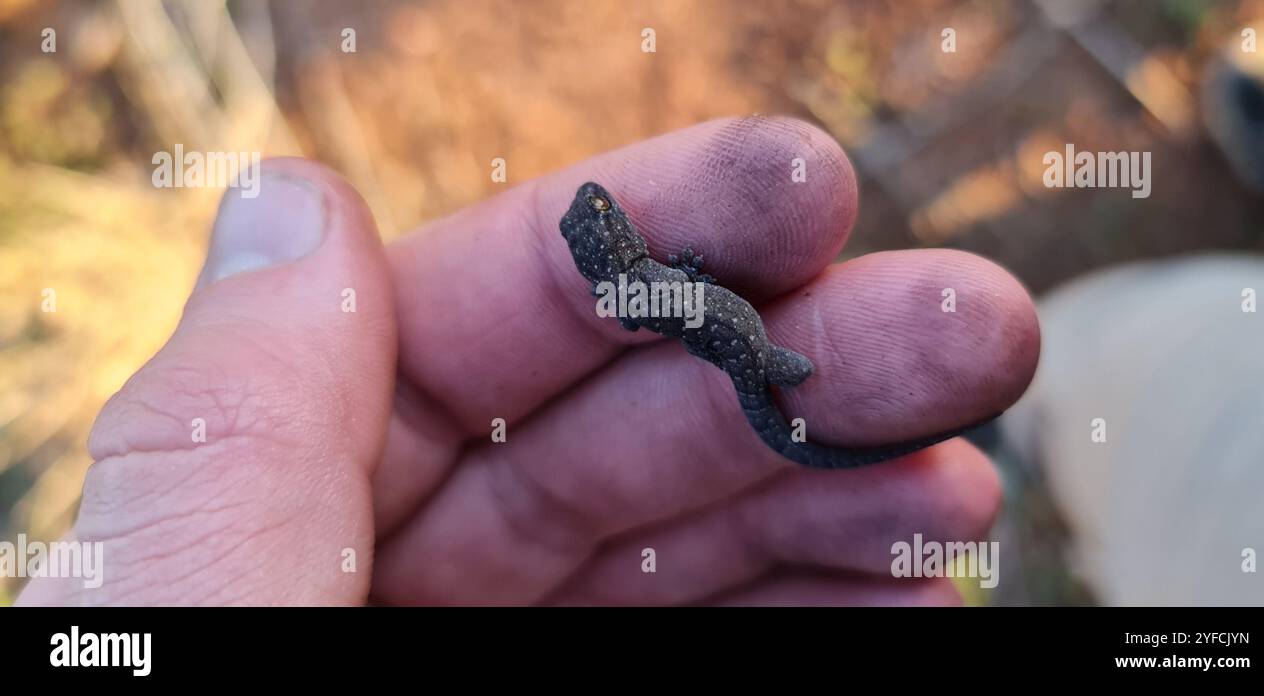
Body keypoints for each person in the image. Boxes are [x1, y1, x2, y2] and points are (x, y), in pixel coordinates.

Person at [17, 117, 1039, 606]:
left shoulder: (627, 282)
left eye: (596, 219)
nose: (595, 213)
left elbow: (658, 294)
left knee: (790, 386)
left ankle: (882, 426)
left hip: (743, 353)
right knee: (782, 386)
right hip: (751, 357)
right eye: (596, 223)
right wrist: (740, 342)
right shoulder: (638, 280)